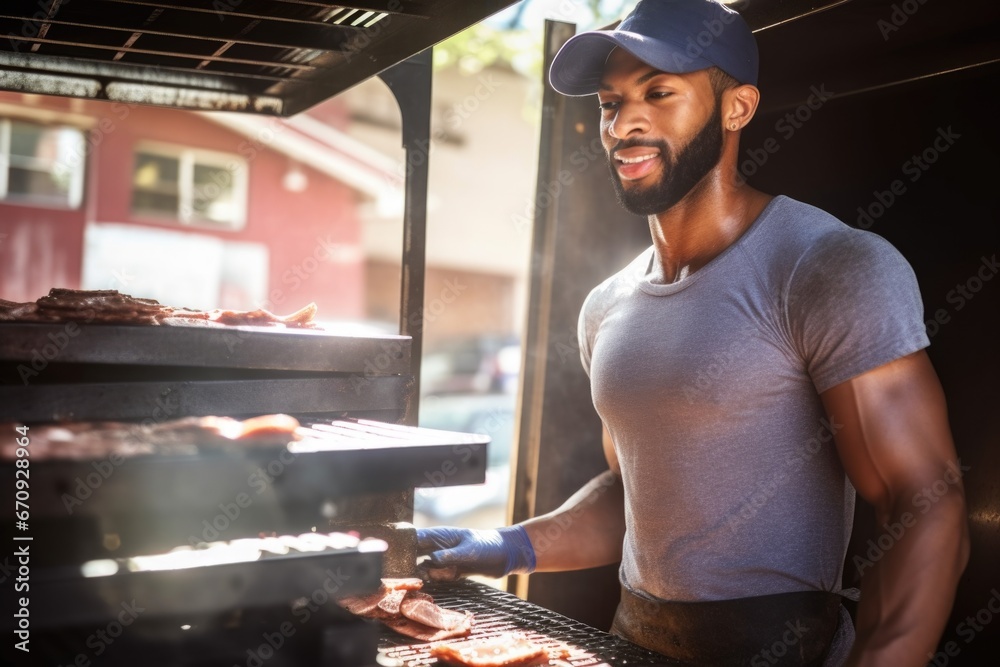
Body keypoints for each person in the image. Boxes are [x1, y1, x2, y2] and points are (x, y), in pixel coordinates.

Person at [417, 1, 969, 665]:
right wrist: (508, 547)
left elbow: (922, 503)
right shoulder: (606, 305)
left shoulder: (828, 268)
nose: (625, 123)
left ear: (737, 107)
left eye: (659, 93)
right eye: (609, 102)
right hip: (632, 645)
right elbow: (636, 497)